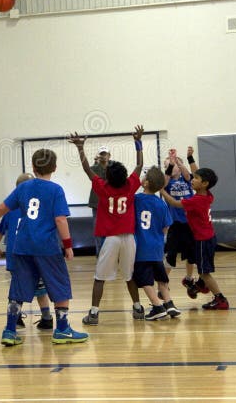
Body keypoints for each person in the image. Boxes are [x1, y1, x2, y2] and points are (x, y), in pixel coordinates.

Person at [0, 149, 88, 346]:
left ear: (33, 167)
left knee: (18, 287)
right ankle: (63, 329)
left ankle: (9, 330)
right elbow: (60, 219)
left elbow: (2, 207)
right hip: (46, 246)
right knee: (60, 285)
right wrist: (68, 245)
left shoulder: (24, 188)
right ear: (55, 168)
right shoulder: (55, 190)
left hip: (23, 246)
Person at [69, 125, 144, 325]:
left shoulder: (102, 187)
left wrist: (80, 148)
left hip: (110, 239)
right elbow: (139, 167)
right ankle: (137, 308)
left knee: (99, 277)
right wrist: (138, 142)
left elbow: (87, 169)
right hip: (129, 238)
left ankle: (94, 313)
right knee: (129, 276)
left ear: (107, 177)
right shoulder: (130, 186)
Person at [0, 172, 53, 330]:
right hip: (35, 252)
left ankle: (15, 318)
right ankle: (46, 317)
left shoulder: (10, 209)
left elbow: (0, 231)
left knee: (16, 289)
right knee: (40, 289)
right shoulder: (41, 206)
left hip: (16, 254)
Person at [161, 167, 229, 310]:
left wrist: (162, 191)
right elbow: (202, 175)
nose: (192, 179)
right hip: (207, 238)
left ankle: (220, 298)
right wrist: (190, 158)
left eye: (196, 178)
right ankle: (200, 285)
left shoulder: (196, 200)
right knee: (202, 269)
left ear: (204, 184)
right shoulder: (207, 195)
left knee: (204, 272)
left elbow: (175, 203)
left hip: (204, 240)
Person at [131, 166, 181, 320]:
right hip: (157, 247)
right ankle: (169, 303)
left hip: (141, 248)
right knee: (161, 278)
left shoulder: (136, 199)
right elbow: (166, 227)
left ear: (145, 183)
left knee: (145, 280)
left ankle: (157, 305)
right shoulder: (162, 203)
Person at [163, 147, 208, 298]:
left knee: (191, 255)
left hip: (189, 223)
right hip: (175, 224)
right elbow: (164, 182)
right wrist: (170, 164)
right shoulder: (168, 183)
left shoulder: (189, 181)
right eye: (166, 165)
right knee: (171, 255)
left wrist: (179, 162)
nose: (169, 165)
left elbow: (189, 175)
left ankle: (188, 279)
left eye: (171, 164)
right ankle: (164, 282)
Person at [88, 146, 111, 255]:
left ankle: (110, 253)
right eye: (101, 154)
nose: (103, 156)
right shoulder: (93, 168)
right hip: (96, 203)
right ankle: (100, 253)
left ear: (109, 155)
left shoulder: (114, 167)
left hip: (110, 203)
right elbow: (98, 181)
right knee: (97, 229)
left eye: (105, 154)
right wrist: (98, 164)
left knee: (110, 229)